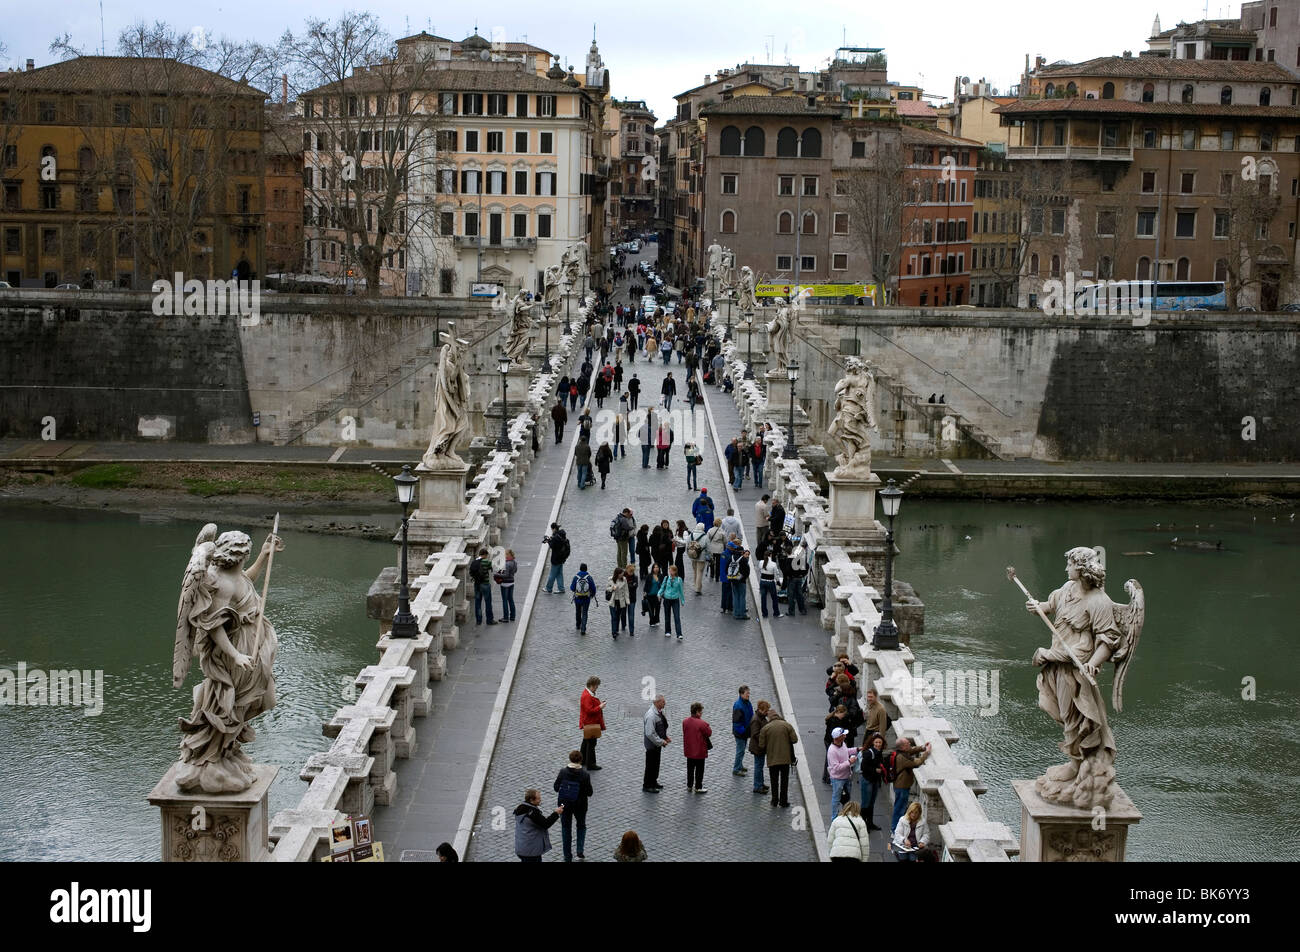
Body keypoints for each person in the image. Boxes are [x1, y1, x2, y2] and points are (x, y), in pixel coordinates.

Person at [553, 750, 594, 862]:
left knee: (566, 829)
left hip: (564, 805)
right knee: (581, 826)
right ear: (581, 760)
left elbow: (556, 787)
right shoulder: (585, 775)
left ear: (570, 759)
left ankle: (567, 855)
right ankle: (579, 850)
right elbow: (590, 792)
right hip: (580, 806)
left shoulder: (563, 772)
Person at [757, 710, 799, 807]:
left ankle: (774, 800)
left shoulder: (765, 728)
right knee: (784, 780)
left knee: (774, 780)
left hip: (772, 759)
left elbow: (761, 745)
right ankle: (783, 801)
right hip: (785, 759)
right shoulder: (787, 725)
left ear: (769, 718)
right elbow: (794, 740)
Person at [890, 737, 932, 832]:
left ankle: (895, 829)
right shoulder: (903, 758)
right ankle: (894, 830)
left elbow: (911, 750)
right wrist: (927, 753)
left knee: (899, 807)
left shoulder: (900, 752)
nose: (910, 744)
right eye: (908, 743)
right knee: (899, 809)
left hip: (899, 785)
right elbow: (918, 762)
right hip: (902, 787)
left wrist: (922, 747)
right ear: (903, 747)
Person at [514, 788, 562, 862]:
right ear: (531, 800)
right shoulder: (532, 813)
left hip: (522, 848)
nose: (540, 800)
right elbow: (546, 824)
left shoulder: (521, 808)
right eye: (538, 798)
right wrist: (556, 813)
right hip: (531, 852)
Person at [826, 726, 857, 820]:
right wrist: (849, 762)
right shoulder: (832, 751)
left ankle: (845, 814)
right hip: (837, 779)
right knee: (836, 798)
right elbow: (836, 768)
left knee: (847, 797)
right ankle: (834, 818)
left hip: (847, 776)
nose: (845, 736)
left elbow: (846, 751)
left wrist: (857, 749)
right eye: (843, 735)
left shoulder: (843, 744)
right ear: (838, 738)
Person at [857, 732, 886, 830]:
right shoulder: (869, 753)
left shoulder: (879, 752)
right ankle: (862, 825)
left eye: (880, 742)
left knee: (871, 803)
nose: (878, 744)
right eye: (876, 742)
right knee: (865, 803)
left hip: (875, 781)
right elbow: (863, 767)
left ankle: (869, 823)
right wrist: (875, 770)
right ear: (873, 743)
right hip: (867, 780)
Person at [682, 701, 712, 794]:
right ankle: (698, 787)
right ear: (698, 712)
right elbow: (709, 733)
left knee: (690, 769)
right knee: (699, 770)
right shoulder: (702, 723)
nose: (701, 714)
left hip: (689, 750)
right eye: (701, 712)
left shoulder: (685, 722)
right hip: (699, 751)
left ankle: (689, 786)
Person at [642, 694, 669, 792]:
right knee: (650, 766)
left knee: (656, 764)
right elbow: (650, 733)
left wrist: (665, 737)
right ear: (657, 703)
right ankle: (647, 785)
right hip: (652, 745)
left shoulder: (658, 712)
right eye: (662, 701)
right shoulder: (651, 715)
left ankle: (653, 781)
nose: (665, 703)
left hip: (657, 744)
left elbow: (659, 728)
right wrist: (661, 741)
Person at [578, 676, 606, 770]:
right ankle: (591, 764)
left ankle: (582, 760)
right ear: (591, 685)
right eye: (596, 686)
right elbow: (589, 711)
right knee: (591, 744)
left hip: (589, 722)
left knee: (586, 742)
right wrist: (600, 707)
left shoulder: (588, 693)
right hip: (591, 723)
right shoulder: (587, 696)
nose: (597, 688)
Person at [469, 547, 495, 626]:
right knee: (488, 603)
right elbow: (491, 567)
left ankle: (478, 620)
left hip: (477, 584)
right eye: (486, 555)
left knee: (478, 603)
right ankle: (489, 620)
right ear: (485, 555)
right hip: (485, 584)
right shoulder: (486, 561)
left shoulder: (474, 562)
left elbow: (471, 572)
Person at [731, 686, 754, 777]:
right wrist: (744, 732)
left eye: (749, 693)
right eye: (746, 693)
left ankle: (740, 765)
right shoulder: (738, 706)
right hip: (740, 733)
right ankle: (736, 769)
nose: (748, 695)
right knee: (740, 751)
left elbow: (751, 715)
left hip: (745, 732)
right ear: (741, 694)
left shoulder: (747, 702)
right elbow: (737, 723)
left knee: (742, 750)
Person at [570, 563, 597, 635]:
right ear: (586, 569)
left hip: (577, 598)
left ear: (580, 568)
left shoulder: (576, 577)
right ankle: (583, 629)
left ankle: (578, 625)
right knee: (585, 613)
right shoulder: (589, 577)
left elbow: (572, 588)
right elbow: (593, 588)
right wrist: (592, 595)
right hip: (586, 598)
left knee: (578, 611)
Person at [660, 564, 685, 640]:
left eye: (672, 570)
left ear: (675, 571)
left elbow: (681, 591)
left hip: (675, 600)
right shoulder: (666, 578)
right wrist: (659, 594)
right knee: (667, 616)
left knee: (677, 616)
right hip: (667, 599)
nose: (670, 572)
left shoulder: (679, 580)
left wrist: (682, 600)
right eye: (669, 570)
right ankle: (668, 631)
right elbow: (662, 587)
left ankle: (679, 633)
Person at [543, 524, 569, 594]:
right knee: (559, 574)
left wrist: (548, 540)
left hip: (556, 559)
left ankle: (548, 588)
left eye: (552, 529)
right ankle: (561, 588)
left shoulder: (556, 538)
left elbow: (552, 546)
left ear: (554, 529)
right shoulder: (562, 535)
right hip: (562, 558)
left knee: (552, 574)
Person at [605, 568, 629, 638]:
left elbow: (626, 590)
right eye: (621, 574)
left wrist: (627, 601)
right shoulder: (610, 579)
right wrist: (612, 588)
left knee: (618, 616)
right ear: (617, 574)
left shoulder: (624, 579)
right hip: (613, 601)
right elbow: (607, 588)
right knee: (614, 617)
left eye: (622, 574)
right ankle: (614, 632)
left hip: (620, 601)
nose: (622, 575)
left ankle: (616, 630)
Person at [757, 548, 781, 619]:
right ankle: (776, 613)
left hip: (762, 581)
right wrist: (778, 581)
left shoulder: (761, 562)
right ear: (770, 555)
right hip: (770, 582)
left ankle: (764, 614)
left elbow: (759, 571)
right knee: (774, 598)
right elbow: (776, 574)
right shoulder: (773, 564)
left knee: (763, 598)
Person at [687, 521, 709, 595]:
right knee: (700, 572)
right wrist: (710, 557)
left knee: (695, 571)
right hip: (701, 557)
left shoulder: (691, 535)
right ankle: (698, 589)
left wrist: (689, 554)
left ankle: (695, 585)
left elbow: (687, 546)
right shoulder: (705, 536)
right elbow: (708, 548)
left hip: (693, 556)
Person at [496, 548, 517, 623]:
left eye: (505, 554)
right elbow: (515, 571)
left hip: (505, 584)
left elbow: (506, 575)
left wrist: (496, 574)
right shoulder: (514, 562)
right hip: (512, 582)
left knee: (505, 600)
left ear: (508, 555)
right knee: (511, 599)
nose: (504, 556)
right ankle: (512, 616)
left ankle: (505, 617)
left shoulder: (506, 564)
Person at [729, 547, 750, 620]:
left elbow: (727, 568)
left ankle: (736, 613)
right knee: (742, 597)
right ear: (742, 552)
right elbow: (747, 571)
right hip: (741, 581)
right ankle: (742, 614)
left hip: (733, 579)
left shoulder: (731, 558)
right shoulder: (743, 559)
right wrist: (744, 578)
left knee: (735, 596)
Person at [705, 517, 726, 582]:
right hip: (720, 549)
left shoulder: (710, 530)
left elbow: (707, 539)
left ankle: (711, 574)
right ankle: (717, 576)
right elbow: (725, 541)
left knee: (712, 562)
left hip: (712, 548)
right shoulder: (722, 531)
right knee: (718, 563)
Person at [623, 565, 639, 636]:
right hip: (623, 598)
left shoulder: (635, 577)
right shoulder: (622, 577)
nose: (631, 573)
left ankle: (631, 631)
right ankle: (623, 625)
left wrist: (628, 585)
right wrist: (631, 585)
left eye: (632, 572)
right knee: (623, 613)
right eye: (630, 572)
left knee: (631, 615)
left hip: (632, 599)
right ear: (626, 570)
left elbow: (634, 587)